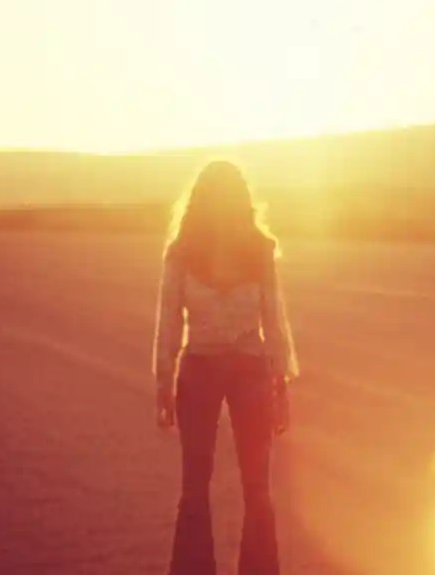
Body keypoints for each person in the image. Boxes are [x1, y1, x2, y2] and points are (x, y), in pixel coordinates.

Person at [153, 160, 300, 575]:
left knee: (237, 489)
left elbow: (273, 319)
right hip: (227, 370)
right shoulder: (192, 252)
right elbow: (272, 322)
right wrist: (163, 381)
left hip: (225, 370)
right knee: (218, 488)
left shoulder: (243, 251)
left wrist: (280, 386)